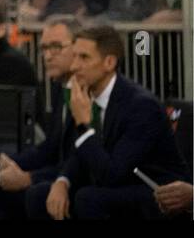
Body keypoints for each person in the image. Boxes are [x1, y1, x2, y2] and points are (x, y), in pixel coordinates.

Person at [29, 25, 190, 219]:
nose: (74, 66)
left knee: (87, 198)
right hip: (114, 181)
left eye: (84, 58)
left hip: (157, 192)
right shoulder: (85, 94)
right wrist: (63, 182)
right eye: (75, 57)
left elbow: (113, 175)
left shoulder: (140, 106)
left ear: (109, 62)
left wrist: (83, 125)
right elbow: (78, 156)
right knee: (41, 195)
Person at [0, 15, 80, 218]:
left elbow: (79, 159)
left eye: (56, 47)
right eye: (44, 48)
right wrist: (2, 161)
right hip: (55, 173)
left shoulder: (90, 91)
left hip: (78, 179)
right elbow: (49, 148)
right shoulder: (60, 88)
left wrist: (28, 178)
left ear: (79, 47)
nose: (48, 56)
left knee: (37, 193)